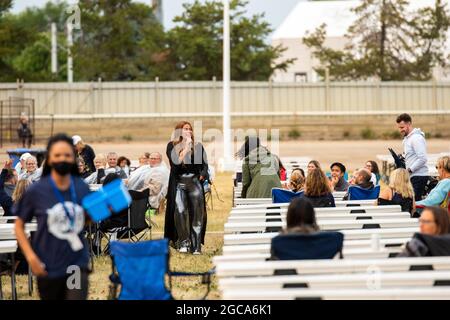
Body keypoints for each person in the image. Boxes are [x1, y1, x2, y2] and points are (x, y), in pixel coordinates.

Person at [14, 133, 91, 300]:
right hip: (47, 264)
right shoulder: (36, 191)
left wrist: (101, 210)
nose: (62, 159)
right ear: (49, 158)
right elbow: (19, 225)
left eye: (67, 155)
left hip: (75, 263)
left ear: (73, 157)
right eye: (57, 155)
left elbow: (85, 219)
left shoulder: (81, 187)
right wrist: (31, 257)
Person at [165, 121, 209, 254]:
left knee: (197, 214)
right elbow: (176, 164)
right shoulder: (171, 146)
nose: (188, 131)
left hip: (194, 181)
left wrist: (203, 174)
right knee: (180, 212)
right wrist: (186, 148)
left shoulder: (198, 146)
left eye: (190, 129)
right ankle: (183, 242)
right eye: (185, 129)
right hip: (179, 182)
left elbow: (205, 164)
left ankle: (196, 246)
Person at [396, 113, 430, 201]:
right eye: (399, 127)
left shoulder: (416, 138)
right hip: (413, 176)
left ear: (409, 124)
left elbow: (423, 158)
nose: (400, 130)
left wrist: (410, 170)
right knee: (410, 202)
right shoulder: (407, 139)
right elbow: (411, 156)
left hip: (419, 176)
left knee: (414, 203)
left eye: (402, 127)